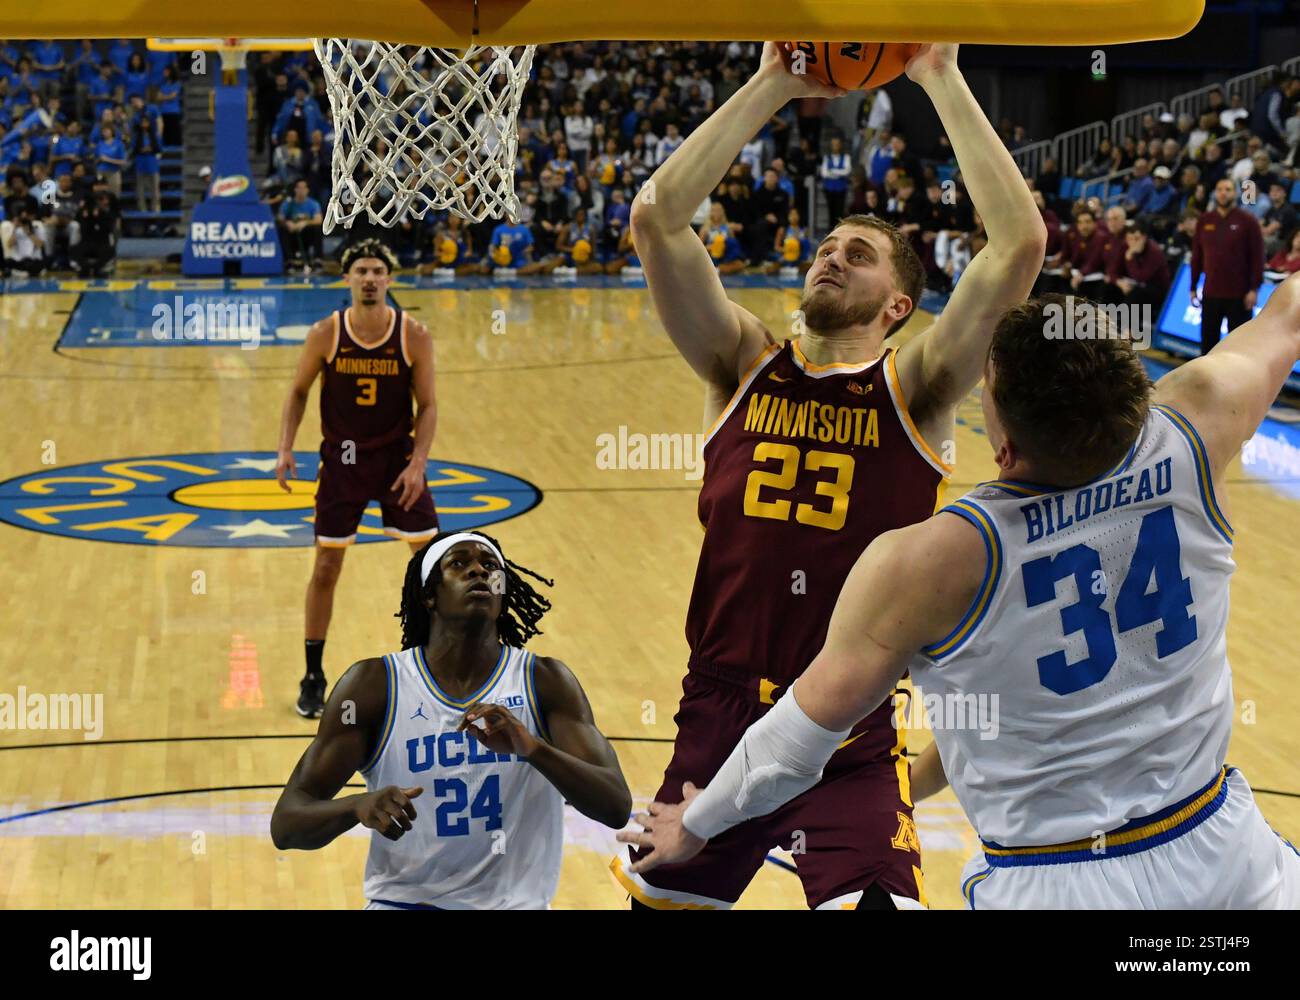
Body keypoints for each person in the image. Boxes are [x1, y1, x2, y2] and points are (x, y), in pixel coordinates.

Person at [622, 281, 1300, 910]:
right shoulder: (1204, 416)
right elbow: (1289, 310)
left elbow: (794, 744)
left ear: (1001, 444)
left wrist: (698, 823)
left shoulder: (931, 562)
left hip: (1055, 882)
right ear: (1131, 388)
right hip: (1227, 853)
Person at [613, 41, 1046, 911]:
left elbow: (1019, 243)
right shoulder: (740, 363)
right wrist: (772, 84)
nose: (830, 256)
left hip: (848, 726)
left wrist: (939, 75)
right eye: (826, 246)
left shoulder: (915, 389)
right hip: (719, 711)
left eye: (858, 253)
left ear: (898, 306)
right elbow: (656, 220)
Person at [270, 531, 632, 909]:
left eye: (491, 566)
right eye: (459, 563)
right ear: (429, 595)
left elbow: (615, 805)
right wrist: (356, 806)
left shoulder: (545, 682)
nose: (479, 570)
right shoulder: (373, 686)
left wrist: (533, 749)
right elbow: (287, 823)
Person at [275, 240, 441, 718]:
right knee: (326, 567)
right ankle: (313, 674)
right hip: (342, 464)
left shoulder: (414, 335)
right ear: (347, 279)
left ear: (390, 279)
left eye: (378, 270)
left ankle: (438, 667)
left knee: (432, 563)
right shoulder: (327, 333)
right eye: (361, 270)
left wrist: (419, 462)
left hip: (395, 461)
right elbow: (298, 391)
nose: (369, 278)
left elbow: (427, 405)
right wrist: (285, 448)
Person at [1192, 177, 1265, 355]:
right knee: (1208, 344)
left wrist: (1254, 288)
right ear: (1215, 193)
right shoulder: (1205, 220)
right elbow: (1197, 256)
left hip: (1238, 295)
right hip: (1210, 293)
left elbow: (1258, 257)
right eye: (1219, 189)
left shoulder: (1248, 221)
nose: (1223, 193)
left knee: (1237, 347)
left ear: (1236, 193)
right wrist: (1192, 287)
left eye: (1228, 189)